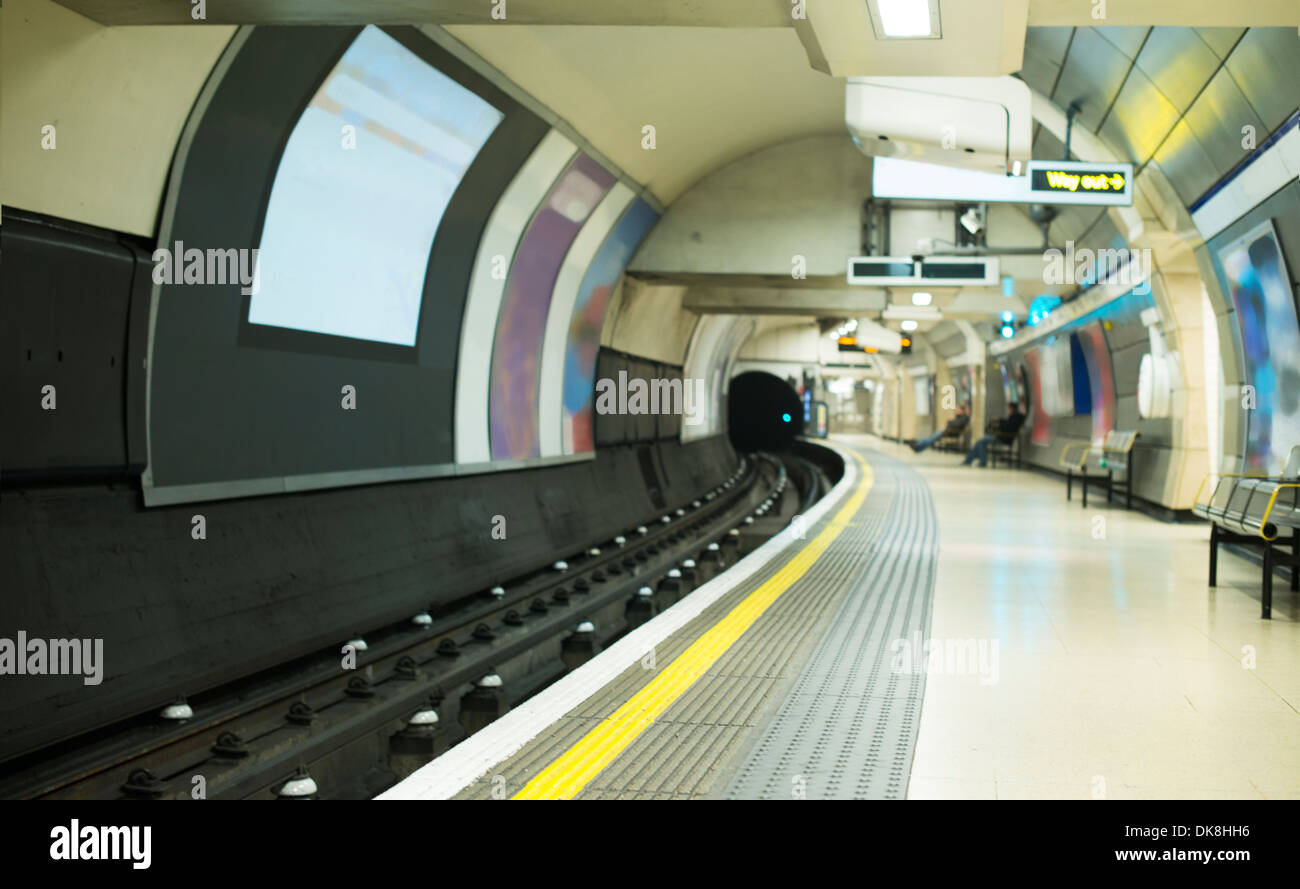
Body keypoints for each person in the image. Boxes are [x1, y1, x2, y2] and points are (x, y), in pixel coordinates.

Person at [962, 404, 1026, 467]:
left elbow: (1009, 427)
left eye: (1009, 408)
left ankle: (979, 461)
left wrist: (999, 425)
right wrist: (1000, 420)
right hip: (1001, 436)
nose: (1008, 410)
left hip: (1003, 438)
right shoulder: (1013, 417)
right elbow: (1008, 423)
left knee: (981, 442)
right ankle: (970, 460)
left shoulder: (1015, 417)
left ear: (1012, 409)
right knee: (979, 442)